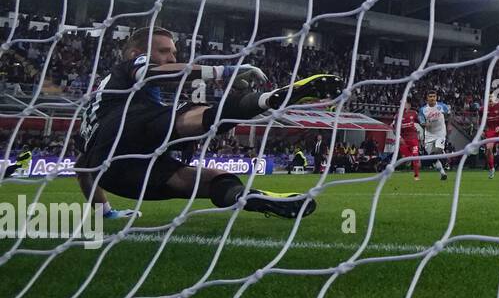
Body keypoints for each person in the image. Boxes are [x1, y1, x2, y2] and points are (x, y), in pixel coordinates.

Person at [76, 26, 340, 218]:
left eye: (173, 52)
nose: (172, 58)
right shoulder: (127, 69)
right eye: (164, 51)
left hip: (117, 177)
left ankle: (245, 196)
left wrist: (105, 212)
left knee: (213, 179)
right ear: (136, 53)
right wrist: (224, 71)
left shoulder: (94, 110)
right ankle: (268, 99)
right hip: (125, 132)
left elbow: (82, 167)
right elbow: (153, 73)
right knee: (192, 115)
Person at [418, 91, 451, 181]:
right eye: (430, 96)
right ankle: (443, 173)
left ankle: (445, 159)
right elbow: (421, 121)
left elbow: (449, 114)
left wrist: (449, 124)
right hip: (429, 135)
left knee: (438, 149)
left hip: (440, 133)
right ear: (427, 98)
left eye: (434, 96)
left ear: (436, 97)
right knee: (433, 157)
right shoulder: (423, 110)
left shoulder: (442, 106)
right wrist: (425, 124)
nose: (432, 98)